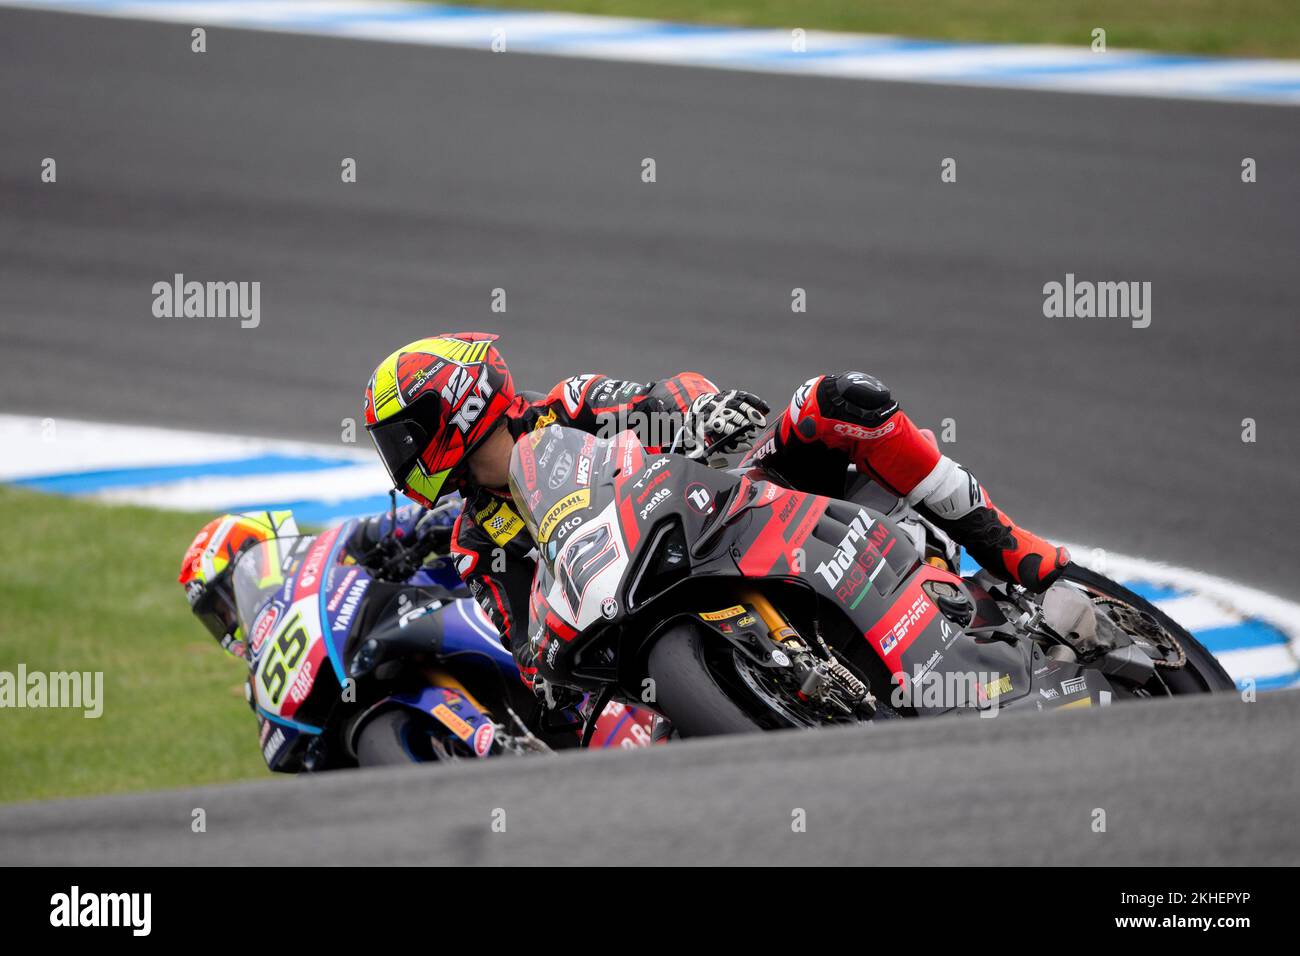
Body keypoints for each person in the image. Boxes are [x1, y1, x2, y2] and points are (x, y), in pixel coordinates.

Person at [362, 332, 1068, 690]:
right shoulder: (475, 540)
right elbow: (522, 635)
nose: (401, 459)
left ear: (455, 404)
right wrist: (537, 663)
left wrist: (705, 410)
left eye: (403, 436)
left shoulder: (569, 407)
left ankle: (1021, 555)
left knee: (835, 399)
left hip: (729, 506)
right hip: (640, 614)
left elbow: (661, 399)